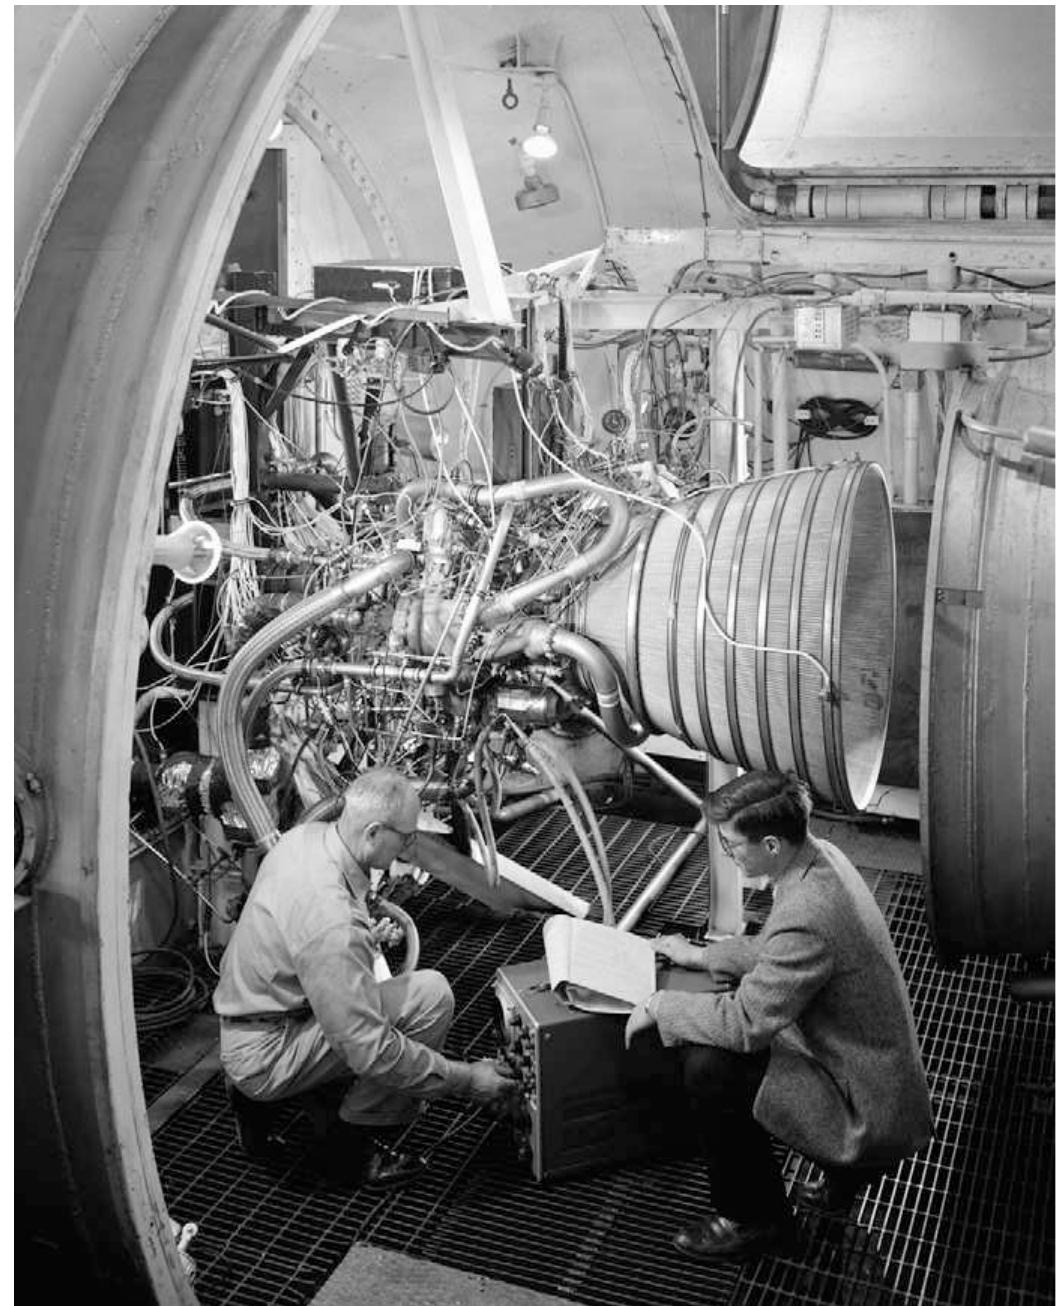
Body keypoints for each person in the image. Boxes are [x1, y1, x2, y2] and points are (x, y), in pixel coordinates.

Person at [624, 770, 933, 1259]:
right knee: (721, 1040)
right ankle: (836, 1182)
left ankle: (756, 1220)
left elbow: (744, 1024)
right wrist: (702, 956)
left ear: (771, 845)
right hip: (872, 1076)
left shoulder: (809, 911)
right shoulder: (819, 859)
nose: (727, 854)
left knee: (709, 1065)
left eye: (730, 845)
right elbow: (778, 949)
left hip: (866, 1111)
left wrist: (658, 1006)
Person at [212, 766, 517, 1190]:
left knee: (387, 1006)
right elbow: (368, 1050)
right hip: (266, 1052)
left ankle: (263, 1105)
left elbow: (297, 939)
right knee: (430, 999)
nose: (409, 847)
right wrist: (467, 1080)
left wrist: (363, 937)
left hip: (252, 1019)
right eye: (406, 838)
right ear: (374, 833)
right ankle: (349, 1148)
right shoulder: (332, 922)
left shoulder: (305, 839)